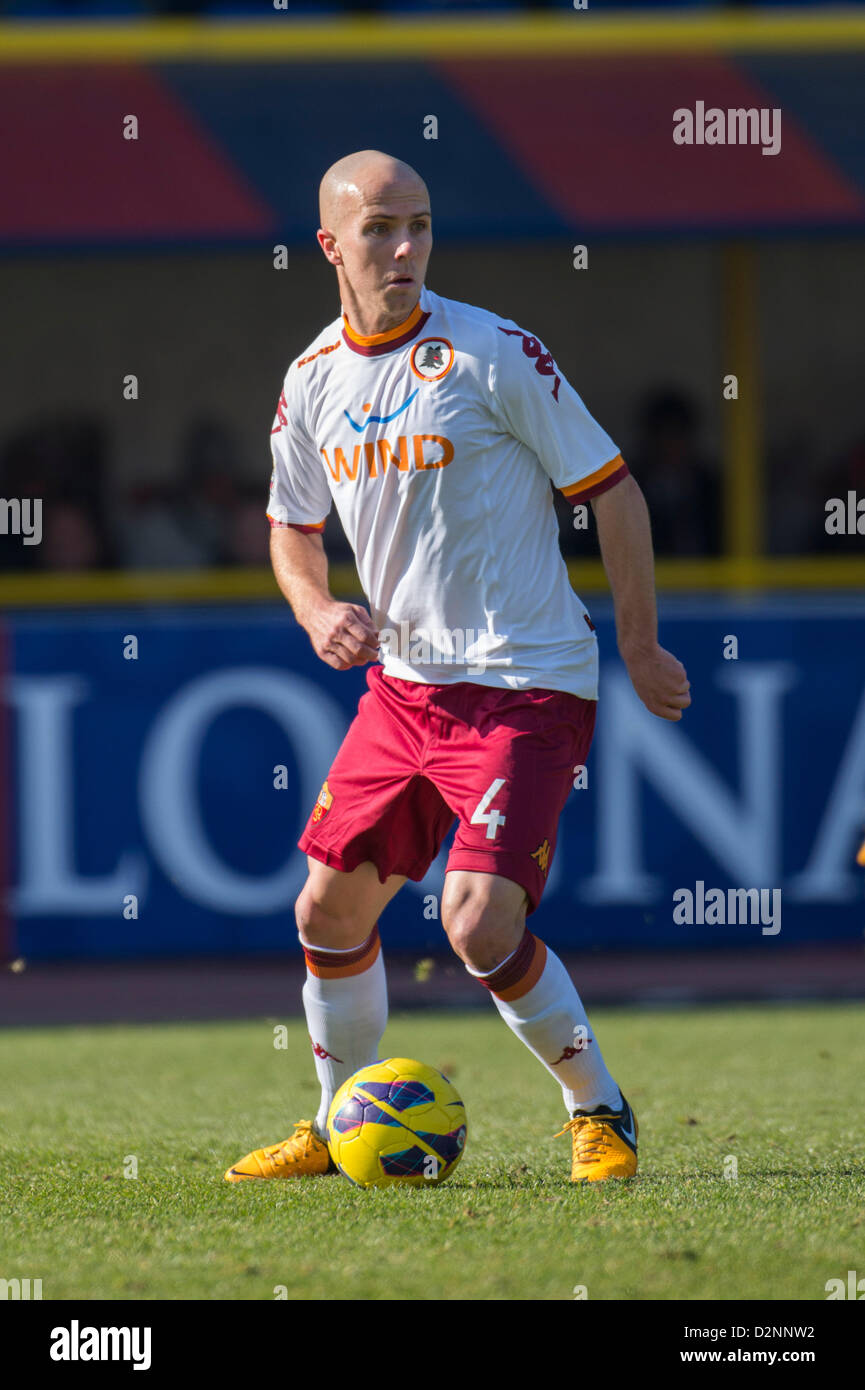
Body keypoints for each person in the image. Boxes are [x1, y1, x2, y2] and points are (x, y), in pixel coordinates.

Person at [225, 150, 690, 1186]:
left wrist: (637, 641)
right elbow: (290, 527)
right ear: (329, 247)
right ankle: (337, 1115)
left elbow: (612, 491)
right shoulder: (311, 381)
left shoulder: (491, 352)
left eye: (419, 225)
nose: (404, 248)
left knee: (477, 921)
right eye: (381, 228)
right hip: (403, 690)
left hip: (526, 683)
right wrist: (314, 610)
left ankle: (596, 1108)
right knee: (324, 911)